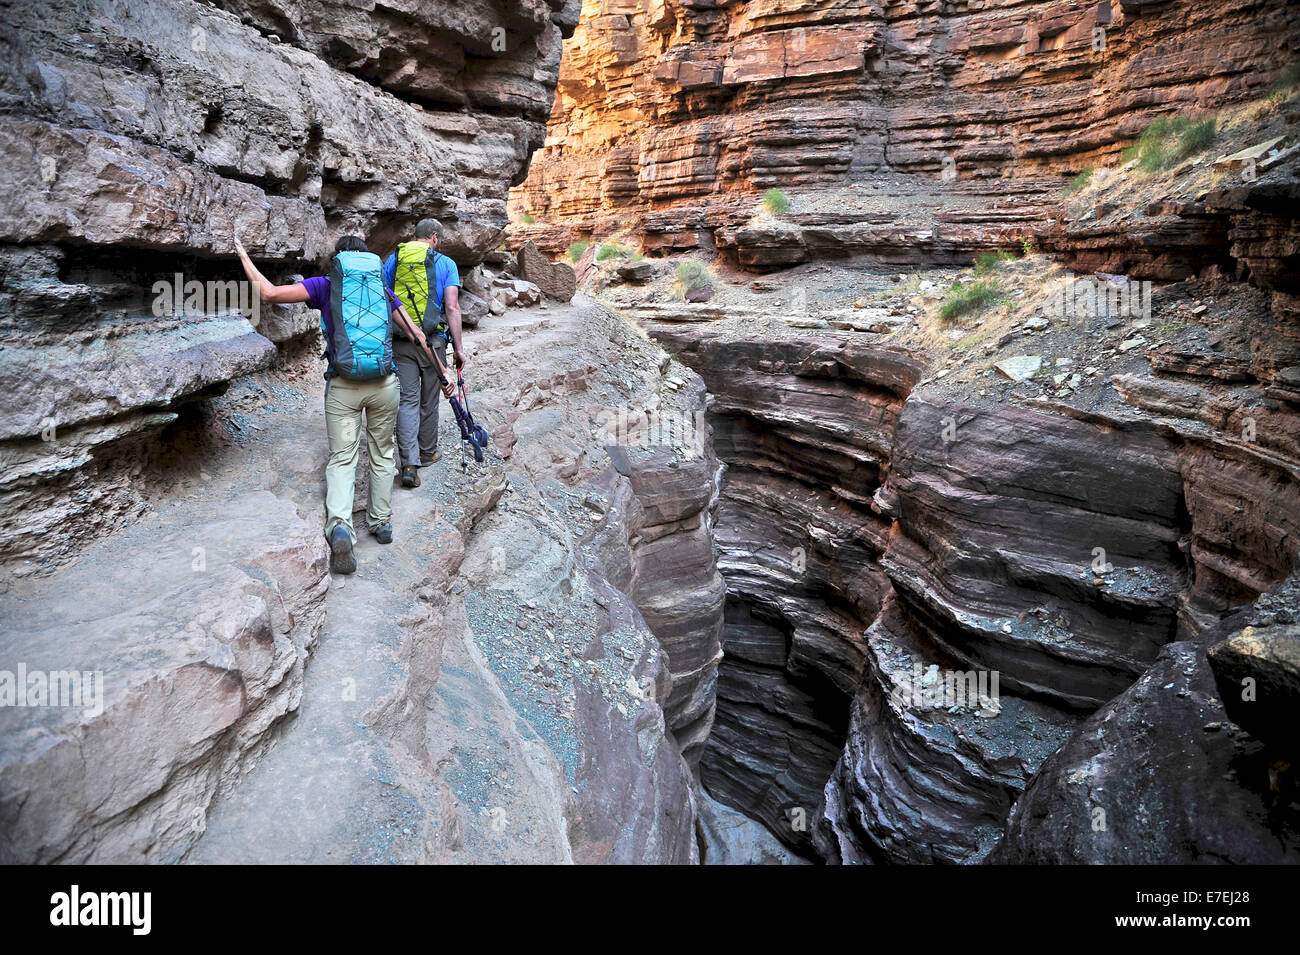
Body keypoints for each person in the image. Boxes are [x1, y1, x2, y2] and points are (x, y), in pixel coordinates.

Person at [233, 235, 453, 575]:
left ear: (337, 258)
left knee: (342, 458)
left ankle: (340, 527)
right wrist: (443, 376)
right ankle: (380, 523)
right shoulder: (381, 286)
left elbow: (269, 293)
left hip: (343, 386)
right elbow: (417, 335)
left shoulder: (326, 284)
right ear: (367, 259)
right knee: (381, 452)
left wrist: (243, 255)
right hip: (384, 385)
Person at [383, 218, 466, 488]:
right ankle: (428, 452)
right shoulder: (445, 264)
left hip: (401, 342)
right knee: (429, 400)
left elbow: (386, 300)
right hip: (434, 343)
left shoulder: (393, 260)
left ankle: (408, 464)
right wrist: (459, 349)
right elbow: (452, 308)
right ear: (434, 238)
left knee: (406, 401)